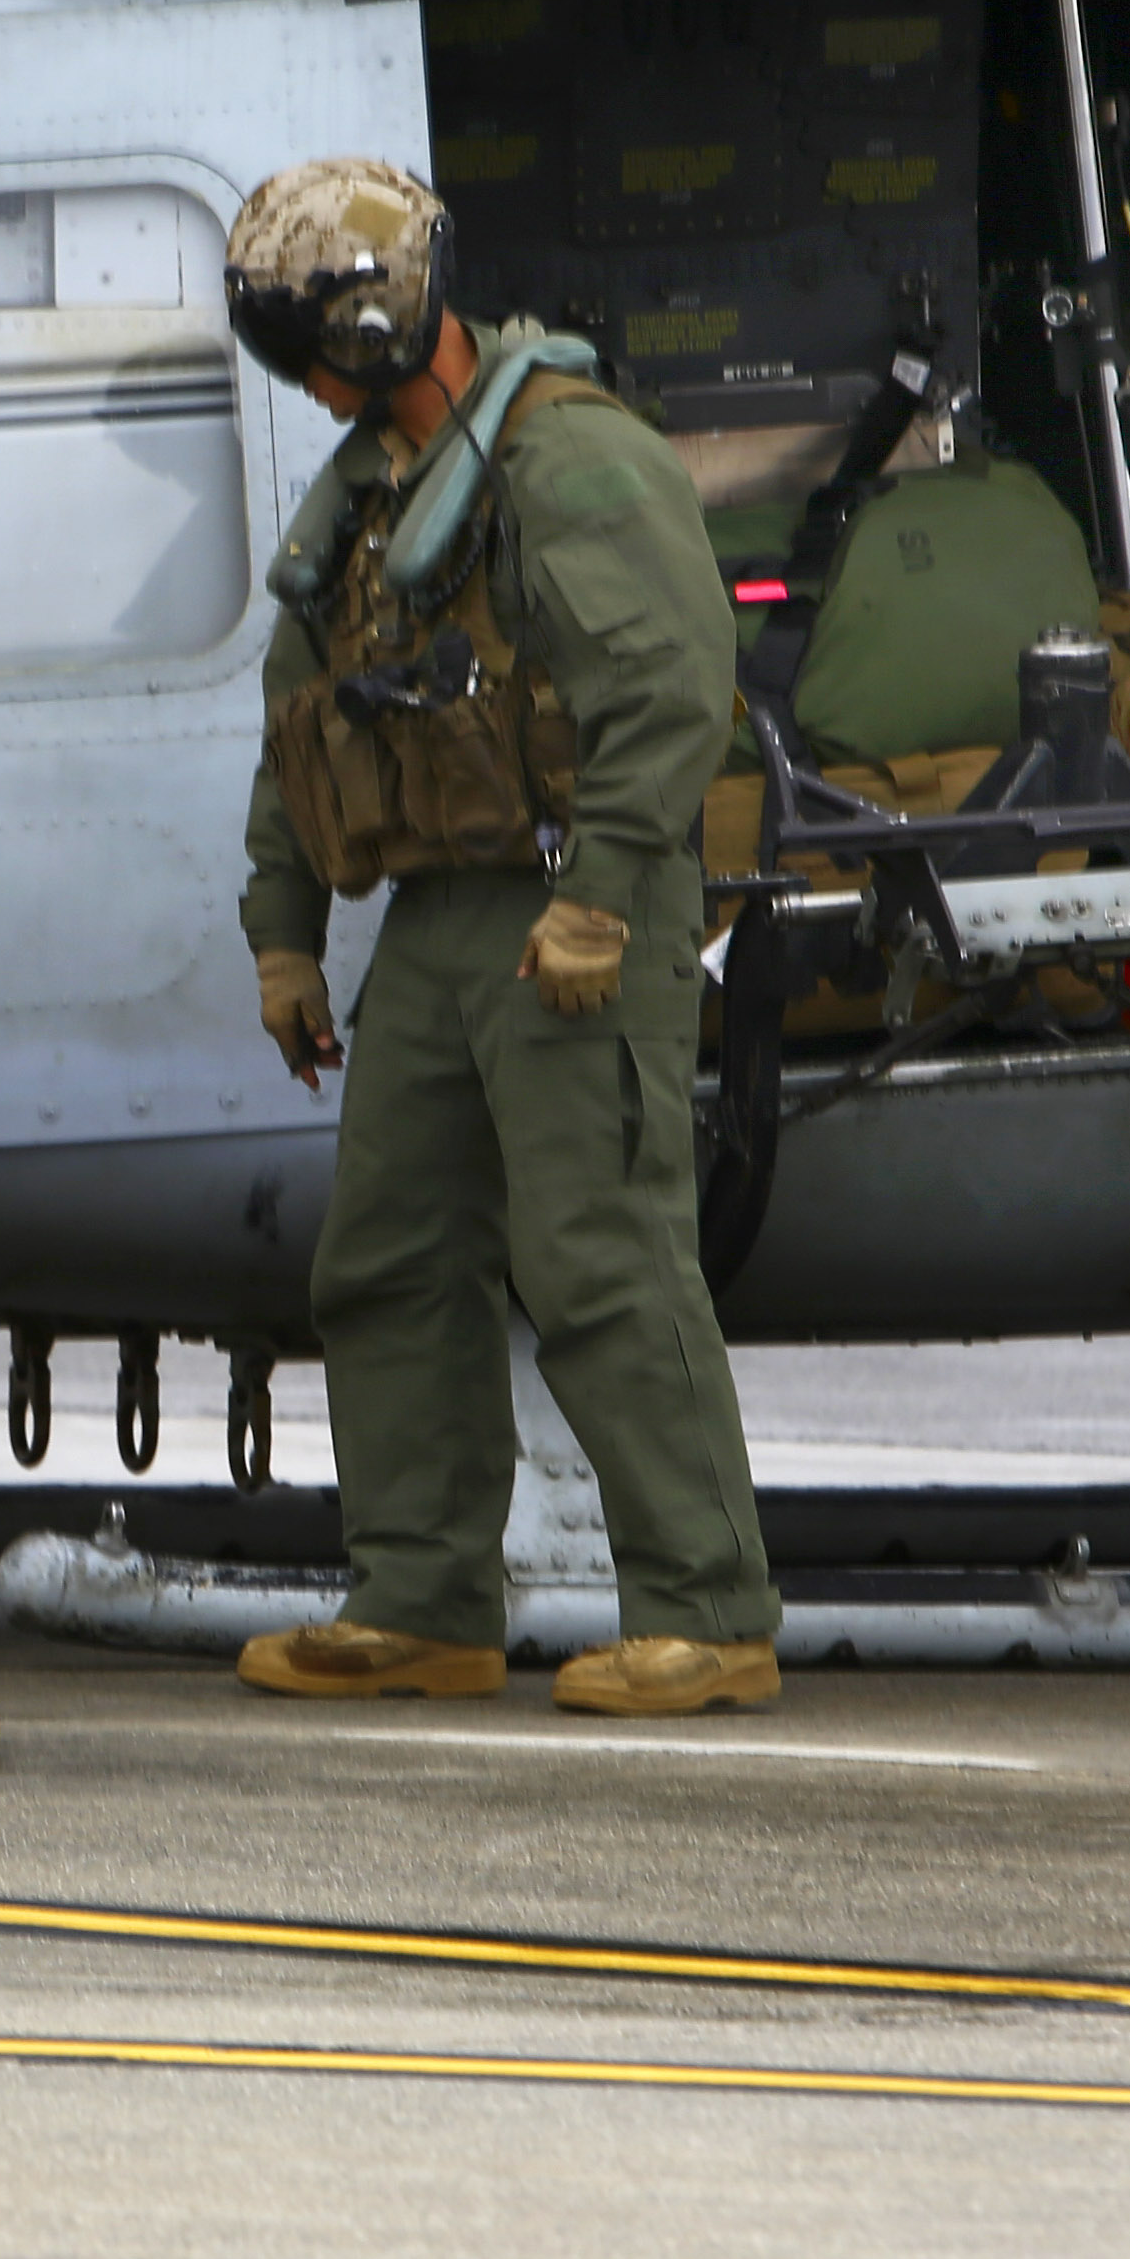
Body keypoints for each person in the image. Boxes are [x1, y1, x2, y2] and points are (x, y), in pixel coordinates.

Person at [221, 156, 781, 1716]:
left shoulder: (572, 462)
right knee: (388, 1255)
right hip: (442, 911)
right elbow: (303, 717)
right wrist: (282, 932)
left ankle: (707, 1609)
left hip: (572, 899)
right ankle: (421, 1602)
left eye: (309, 340)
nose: (306, 376)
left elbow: (670, 693)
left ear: (378, 324)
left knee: (599, 1253)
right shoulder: (376, 488)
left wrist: (599, 898)